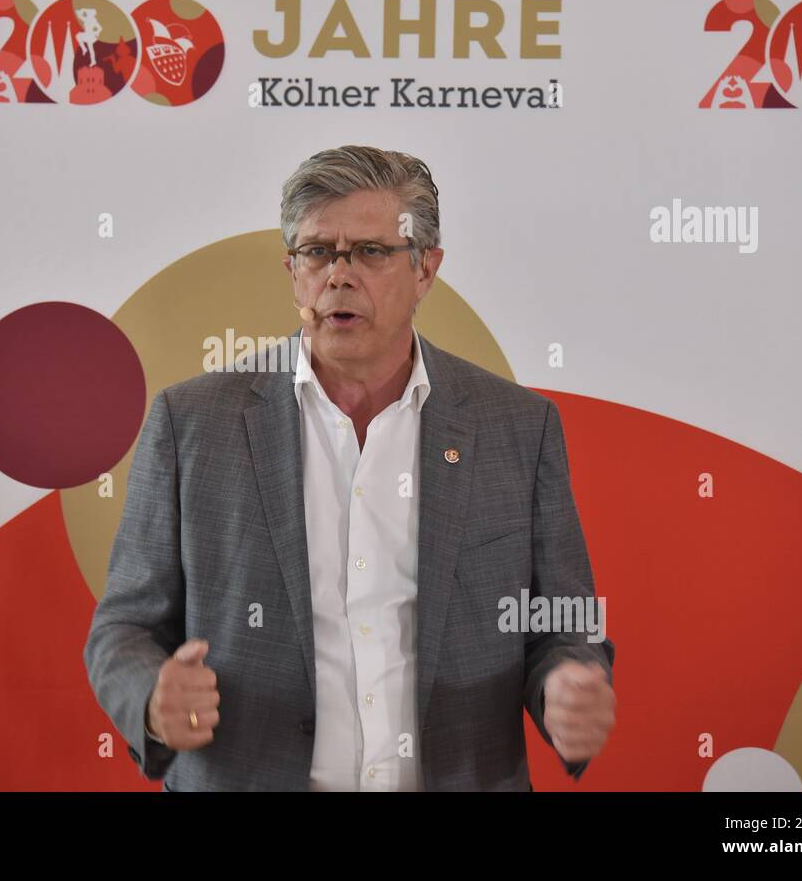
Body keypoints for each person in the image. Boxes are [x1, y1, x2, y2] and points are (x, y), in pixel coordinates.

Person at [84, 145, 615, 790]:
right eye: (317, 253)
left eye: (370, 251)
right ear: (292, 270)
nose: (339, 275)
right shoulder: (192, 422)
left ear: (426, 269)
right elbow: (125, 626)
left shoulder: (517, 427)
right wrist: (150, 698)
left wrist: (566, 676)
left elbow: (560, 620)